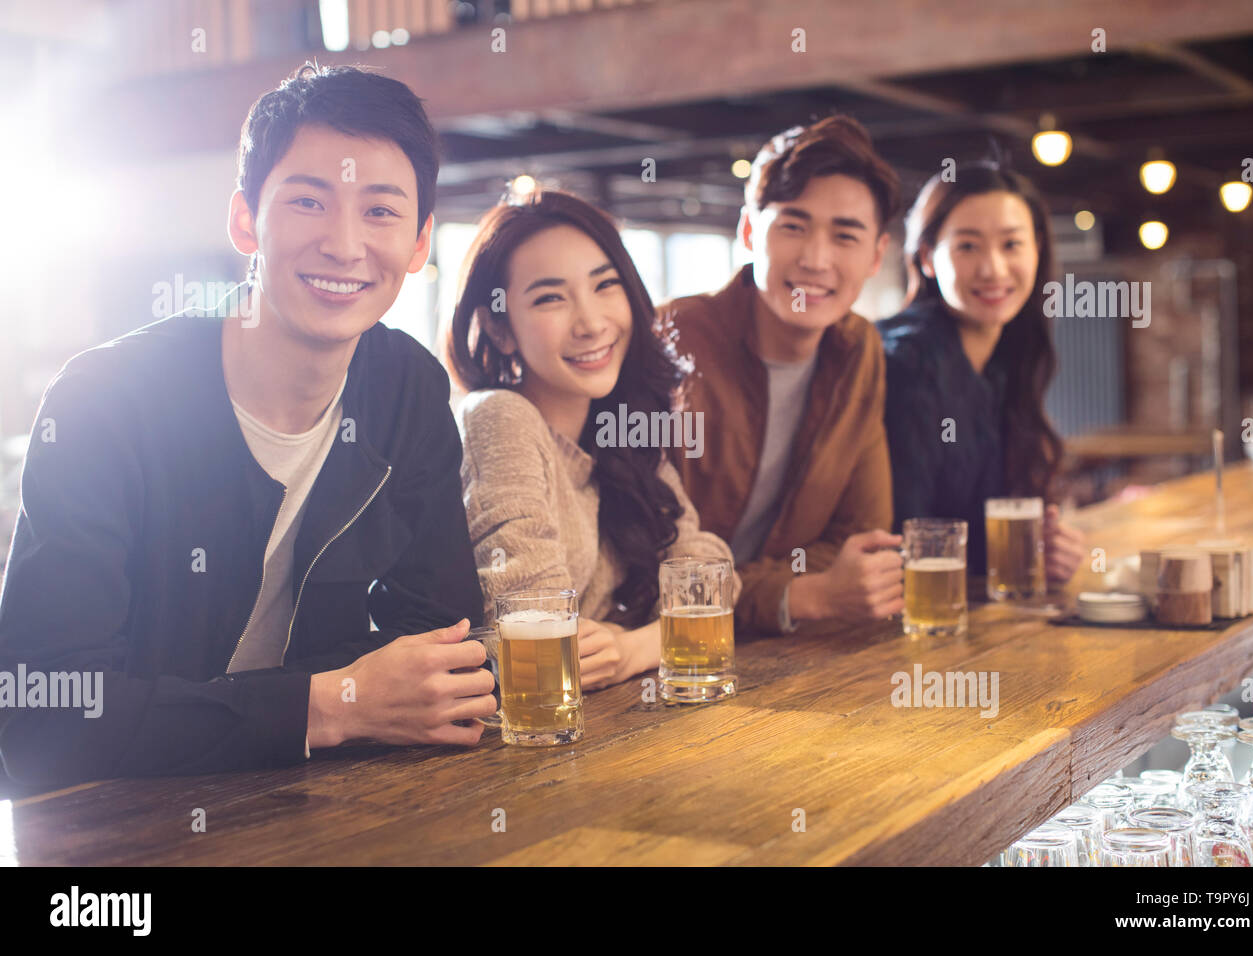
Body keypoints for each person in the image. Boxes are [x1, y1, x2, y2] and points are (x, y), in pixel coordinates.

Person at [0, 64, 496, 789]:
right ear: (244, 221)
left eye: (382, 212)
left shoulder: (406, 389)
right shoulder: (105, 402)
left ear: (420, 244)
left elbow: (442, 648)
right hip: (110, 828)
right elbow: (40, 713)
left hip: (312, 805)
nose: (345, 243)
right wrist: (331, 705)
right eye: (307, 201)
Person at [448, 189, 735, 690]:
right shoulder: (499, 417)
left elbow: (715, 587)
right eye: (551, 298)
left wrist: (630, 650)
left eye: (605, 286)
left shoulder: (623, 428)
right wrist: (657, 642)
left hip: (619, 729)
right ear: (500, 329)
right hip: (509, 745)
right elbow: (540, 649)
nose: (592, 323)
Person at [661, 115, 903, 636]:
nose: (816, 260)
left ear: (876, 256)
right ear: (750, 231)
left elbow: (858, 540)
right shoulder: (673, 340)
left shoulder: (859, 349)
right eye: (793, 226)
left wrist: (789, 594)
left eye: (845, 235)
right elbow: (649, 563)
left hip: (779, 653)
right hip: (662, 656)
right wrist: (801, 594)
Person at [877, 160, 1086, 583]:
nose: (993, 268)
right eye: (968, 247)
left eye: (1011, 245)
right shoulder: (905, 361)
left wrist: (1046, 550)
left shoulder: (1009, 358)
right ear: (927, 258)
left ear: (1038, 249)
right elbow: (906, 540)